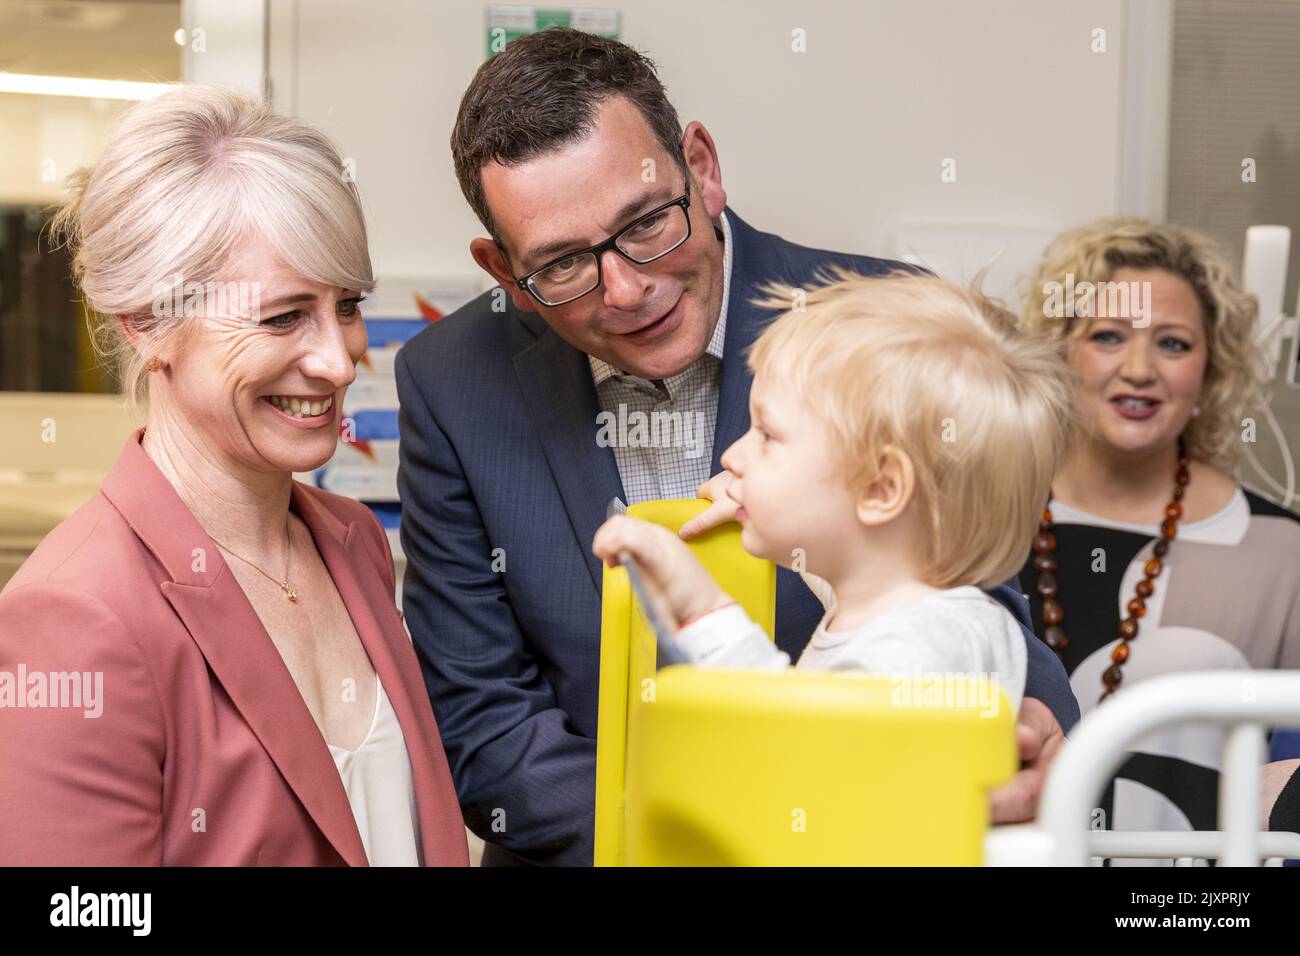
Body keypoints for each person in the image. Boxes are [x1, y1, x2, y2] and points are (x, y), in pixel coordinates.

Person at [397, 27, 1079, 866]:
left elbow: (986, 614)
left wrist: (1042, 752)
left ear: (703, 168)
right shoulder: (450, 380)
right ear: (505, 273)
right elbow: (483, 716)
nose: (628, 288)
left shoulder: (890, 327)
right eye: (564, 265)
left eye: (646, 223)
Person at [0, 86, 468, 866]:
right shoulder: (74, 619)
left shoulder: (350, 541)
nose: (337, 357)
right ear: (148, 323)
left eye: (346, 304)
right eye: (283, 316)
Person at [593, 271, 1075, 717]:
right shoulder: (910, 608)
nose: (732, 456)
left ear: (881, 488)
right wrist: (765, 497)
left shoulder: (919, 648)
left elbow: (804, 755)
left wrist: (702, 609)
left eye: (767, 435)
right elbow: (850, 556)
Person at [1019, 215, 1300, 852]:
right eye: (1109, 336)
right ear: (1061, 351)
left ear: (1211, 368)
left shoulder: (1279, 550)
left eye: (1172, 343)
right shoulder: (979, 522)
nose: (1140, 368)